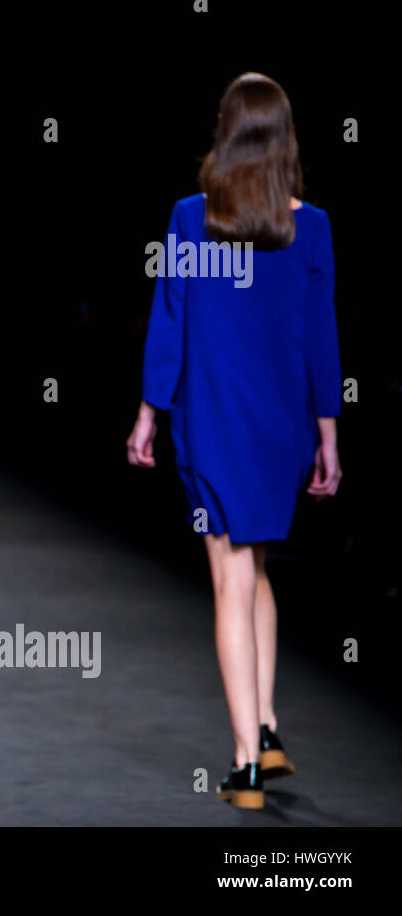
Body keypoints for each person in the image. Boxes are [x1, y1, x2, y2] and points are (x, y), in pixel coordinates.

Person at [126, 73, 343, 811]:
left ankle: (246, 761)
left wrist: (149, 414)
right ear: (285, 140)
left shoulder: (191, 220)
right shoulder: (309, 227)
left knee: (230, 580)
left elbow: (171, 321)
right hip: (279, 427)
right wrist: (329, 437)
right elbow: (320, 340)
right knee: (254, 568)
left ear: (226, 132)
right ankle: (270, 726)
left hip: (215, 420)